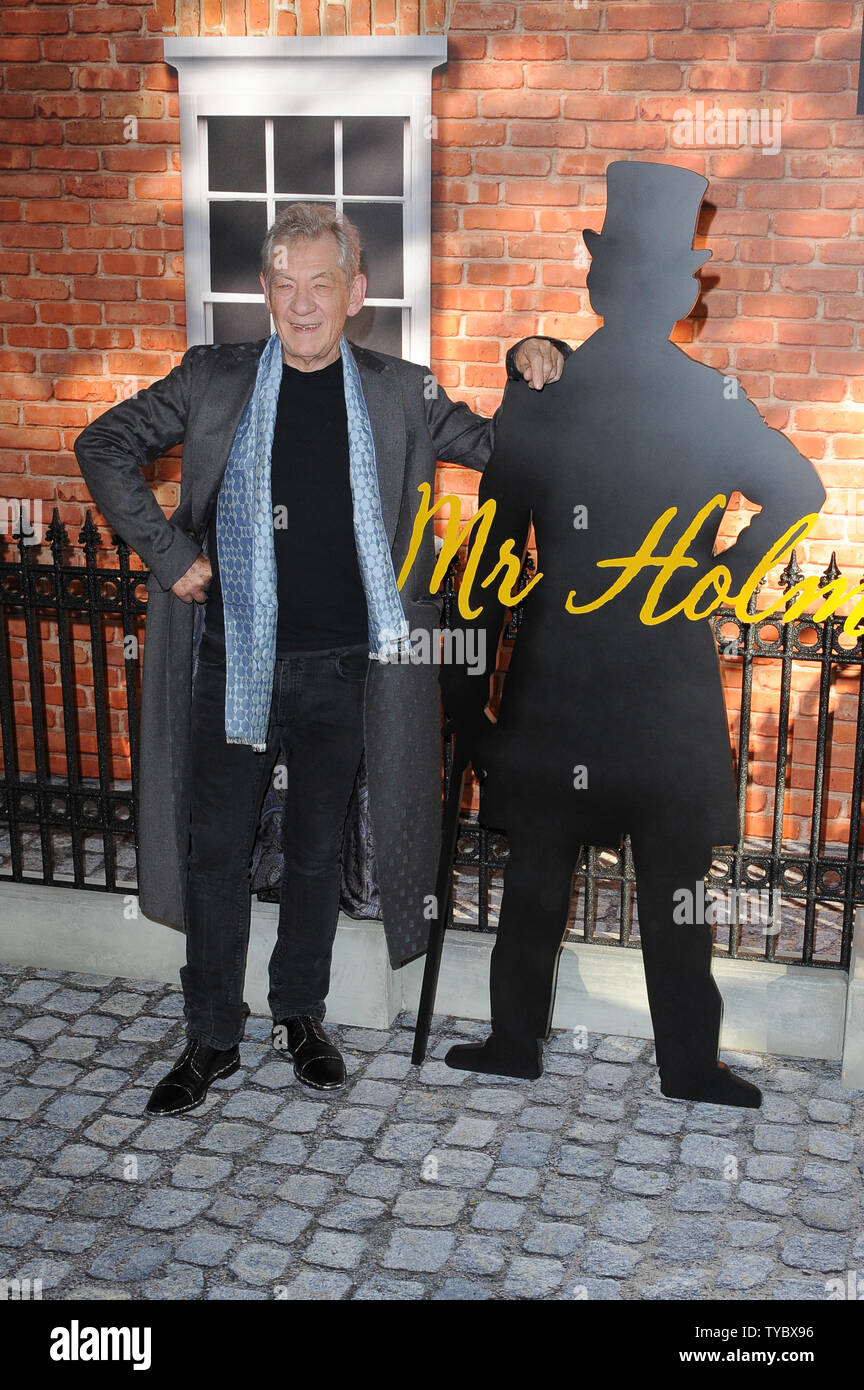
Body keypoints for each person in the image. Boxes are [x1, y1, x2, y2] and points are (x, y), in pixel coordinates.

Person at [74, 203, 565, 1112]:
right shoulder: (212, 380)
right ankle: (213, 1033)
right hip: (233, 663)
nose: (302, 305)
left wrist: (532, 357)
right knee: (217, 851)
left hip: (346, 666)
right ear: (264, 292)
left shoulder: (399, 391)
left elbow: (506, 449)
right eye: (284, 285)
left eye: (321, 284)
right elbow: (101, 444)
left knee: (312, 853)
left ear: (356, 294)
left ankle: (299, 1013)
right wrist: (173, 556)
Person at [439, 162, 826, 1108]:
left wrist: (466, 698)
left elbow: (487, 564)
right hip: (650, 684)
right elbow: (799, 492)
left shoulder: (551, 393)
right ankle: (682, 1063)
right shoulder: (693, 397)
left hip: (577, 682)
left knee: (543, 881)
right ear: (661, 292)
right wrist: (720, 577)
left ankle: (518, 1043)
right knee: (668, 891)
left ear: (601, 285)